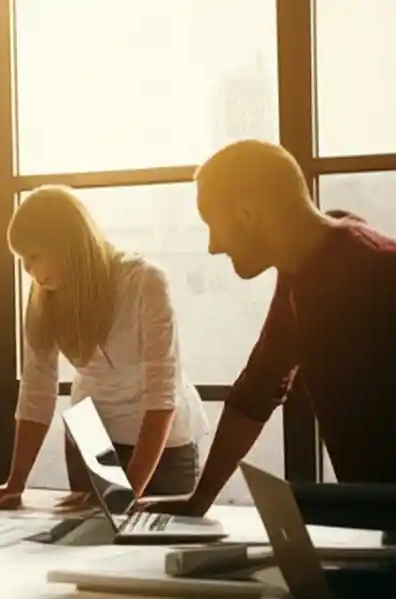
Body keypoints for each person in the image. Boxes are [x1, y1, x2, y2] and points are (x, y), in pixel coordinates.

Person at [143, 140, 396, 517]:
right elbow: (255, 394)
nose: (213, 247)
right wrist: (200, 500)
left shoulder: (375, 271)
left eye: (213, 226)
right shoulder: (302, 268)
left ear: (247, 211)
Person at [0, 185, 205, 511]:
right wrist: (14, 484)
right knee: (89, 544)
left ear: (67, 246)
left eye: (33, 256)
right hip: (92, 434)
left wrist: (129, 494)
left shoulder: (145, 283)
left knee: (150, 543)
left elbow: (162, 396)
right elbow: (37, 392)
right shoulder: (42, 299)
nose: (26, 270)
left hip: (160, 443)